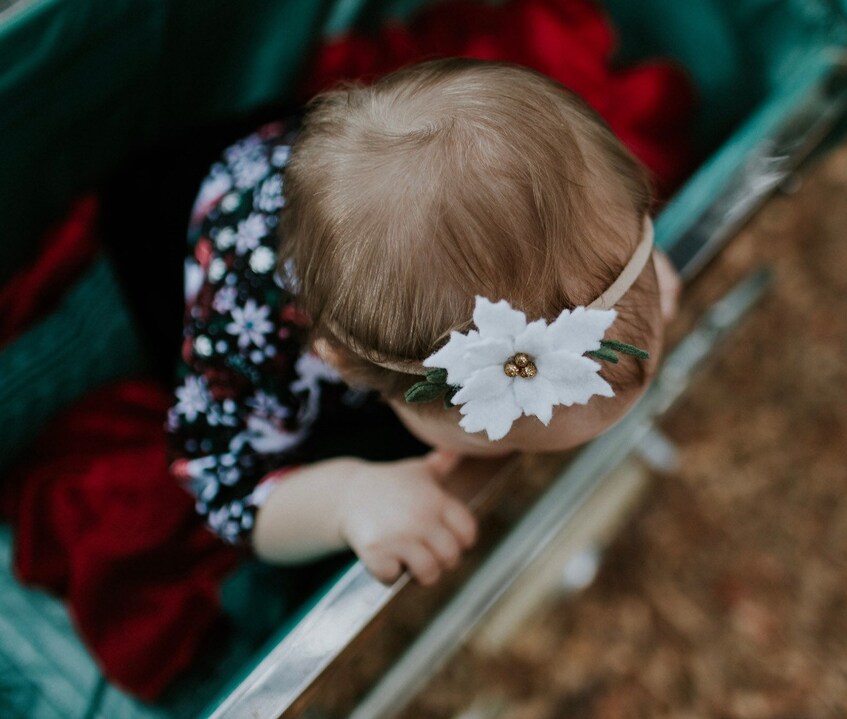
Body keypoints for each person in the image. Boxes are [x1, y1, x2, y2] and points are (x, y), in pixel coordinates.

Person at [168, 59, 681, 588]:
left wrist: (626, 280)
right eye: (509, 435)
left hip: (352, 188)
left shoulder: (575, 197)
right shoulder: (243, 331)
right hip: (212, 215)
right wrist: (348, 499)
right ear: (343, 364)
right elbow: (223, 488)